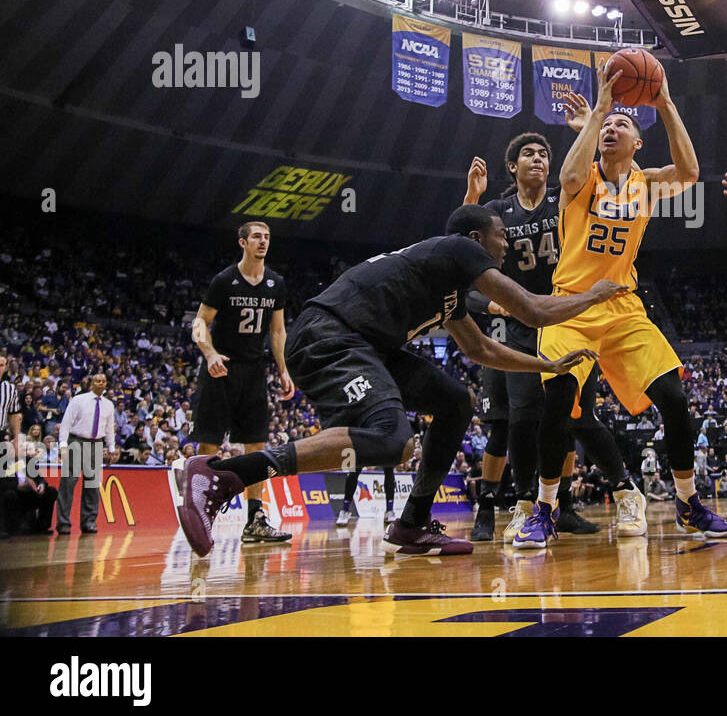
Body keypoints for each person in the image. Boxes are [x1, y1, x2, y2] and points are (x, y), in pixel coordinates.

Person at [174, 205, 625, 558]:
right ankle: (222, 475)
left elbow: (481, 349)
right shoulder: (456, 249)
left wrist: (547, 365)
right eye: (500, 236)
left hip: (369, 345)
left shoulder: (448, 287)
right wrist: (593, 295)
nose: (505, 245)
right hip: (332, 333)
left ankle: (411, 524)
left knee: (454, 400)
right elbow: (534, 310)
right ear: (475, 240)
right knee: (393, 438)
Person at [516, 68, 727, 549]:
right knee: (557, 407)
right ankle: (545, 510)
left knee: (676, 402)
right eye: (607, 126)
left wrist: (665, 105)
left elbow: (691, 173)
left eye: (623, 124)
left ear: (639, 143)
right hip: (569, 307)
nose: (613, 128)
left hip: (622, 309)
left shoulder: (646, 183)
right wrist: (599, 111)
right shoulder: (583, 177)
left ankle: (687, 503)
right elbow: (570, 174)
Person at [462, 123, 645, 542]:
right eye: (529, 154)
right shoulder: (497, 213)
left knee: (574, 416)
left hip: (567, 317)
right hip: (517, 324)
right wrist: (473, 194)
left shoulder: (567, 200)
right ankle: (523, 505)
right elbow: (461, 249)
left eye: (544, 154)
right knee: (520, 420)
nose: (539, 159)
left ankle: (582, 499)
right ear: (513, 166)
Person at [190, 221, 295, 545]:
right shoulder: (225, 280)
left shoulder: (276, 283)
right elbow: (200, 321)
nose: (263, 242)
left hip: (253, 371)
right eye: (256, 237)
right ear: (243, 242)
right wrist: (209, 354)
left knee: (257, 445)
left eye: (266, 237)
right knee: (210, 444)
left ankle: (255, 520)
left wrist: (283, 368)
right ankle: (200, 511)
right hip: (222, 367)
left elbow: (277, 331)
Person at [55, 373, 117, 535]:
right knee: (68, 484)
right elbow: (65, 425)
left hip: (96, 444)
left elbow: (109, 429)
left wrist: (111, 449)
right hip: (76, 441)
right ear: (91, 384)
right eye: (97, 380)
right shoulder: (78, 400)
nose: (101, 383)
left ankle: (89, 522)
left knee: (93, 486)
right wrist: (62, 446)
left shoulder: (109, 405)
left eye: (103, 381)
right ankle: (63, 523)